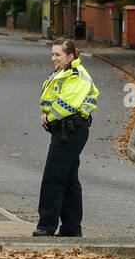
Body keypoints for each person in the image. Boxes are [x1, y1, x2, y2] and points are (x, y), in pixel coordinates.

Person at [34, 38, 98, 237]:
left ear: (70, 56)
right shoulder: (63, 72)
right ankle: (71, 228)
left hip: (69, 131)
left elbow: (67, 104)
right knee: (69, 180)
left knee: (53, 178)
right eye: (52, 54)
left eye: (58, 55)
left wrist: (49, 116)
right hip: (65, 130)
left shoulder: (77, 75)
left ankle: (46, 226)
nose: (53, 58)